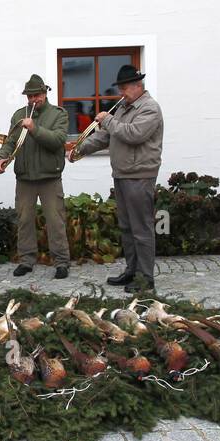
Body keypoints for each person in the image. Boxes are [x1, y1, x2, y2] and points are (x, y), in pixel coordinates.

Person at [72, 64, 164, 293]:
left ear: (138, 86)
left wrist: (108, 121)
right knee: (126, 227)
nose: (121, 92)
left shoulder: (150, 108)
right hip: (123, 173)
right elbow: (105, 137)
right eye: (120, 88)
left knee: (141, 229)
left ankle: (145, 278)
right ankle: (132, 271)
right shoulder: (124, 106)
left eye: (124, 88)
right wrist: (79, 150)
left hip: (140, 175)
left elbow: (134, 134)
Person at [0, 74, 70, 279]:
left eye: (37, 95)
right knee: (24, 220)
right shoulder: (19, 114)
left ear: (45, 94)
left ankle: (61, 262)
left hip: (49, 178)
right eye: (30, 96)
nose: (33, 99)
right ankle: (26, 260)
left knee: (55, 221)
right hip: (25, 178)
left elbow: (57, 141)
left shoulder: (58, 114)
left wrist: (34, 128)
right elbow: (10, 142)